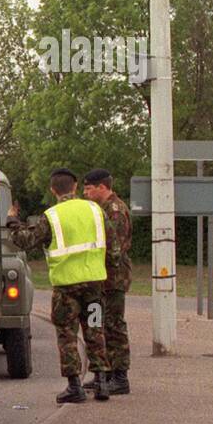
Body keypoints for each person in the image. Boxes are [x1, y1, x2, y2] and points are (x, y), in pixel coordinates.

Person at [6, 169, 116, 403]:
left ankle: (74, 386)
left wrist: (13, 221)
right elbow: (113, 246)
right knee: (95, 331)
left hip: (66, 288)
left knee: (67, 334)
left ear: (53, 190)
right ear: (75, 187)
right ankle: (102, 383)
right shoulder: (96, 210)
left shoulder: (52, 216)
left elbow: (25, 241)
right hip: (94, 284)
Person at [81, 169, 132, 396]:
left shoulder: (115, 210)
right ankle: (106, 374)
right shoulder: (102, 210)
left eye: (88, 188)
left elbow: (114, 247)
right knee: (101, 325)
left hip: (114, 277)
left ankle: (120, 377)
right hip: (103, 277)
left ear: (102, 187)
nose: (85, 192)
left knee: (114, 326)